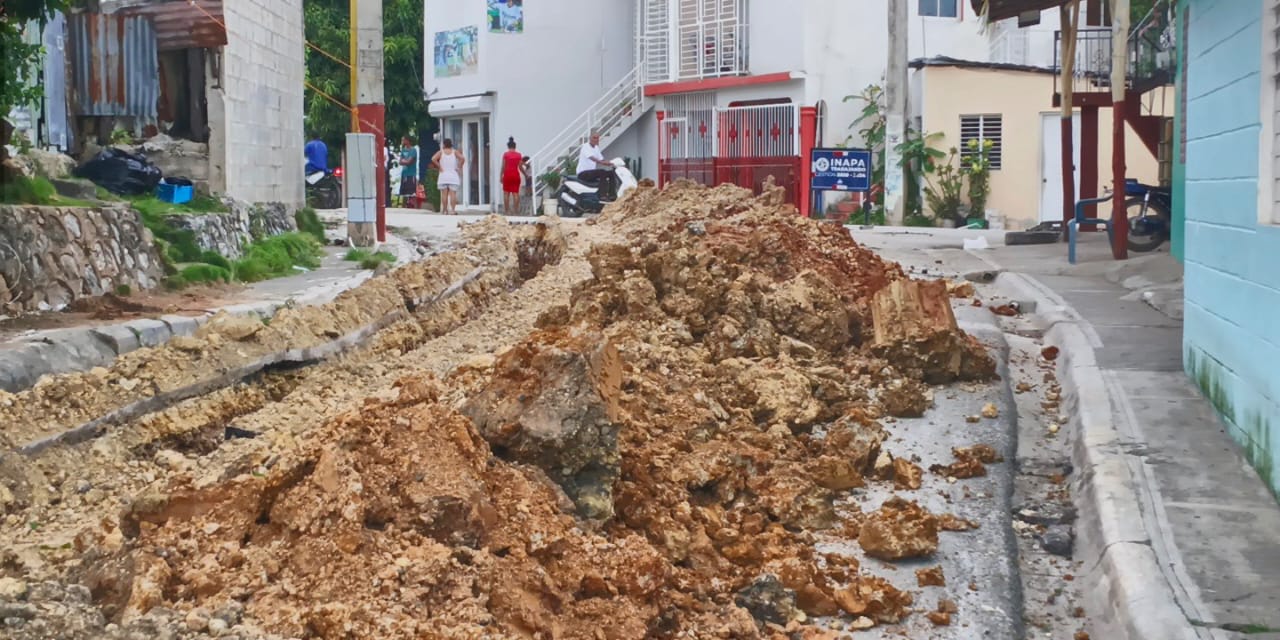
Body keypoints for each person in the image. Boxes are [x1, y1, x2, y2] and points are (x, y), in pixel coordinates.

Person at [576, 131, 617, 201]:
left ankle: (612, 195)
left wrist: (612, 163)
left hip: (591, 173)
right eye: (594, 138)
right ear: (590, 138)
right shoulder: (585, 147)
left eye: (597, 138)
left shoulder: (596, 148)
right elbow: (593, 159)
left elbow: (602, 159)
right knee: (602, 172)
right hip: (583, 173)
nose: (596, 140)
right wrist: (602, 162)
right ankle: (602, 196)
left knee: (611, 173)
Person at [432, 138, 463, 215]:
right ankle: (452, 210)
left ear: (444, 144)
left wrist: (440, 167)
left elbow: (433, 159)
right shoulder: (454, 152)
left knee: (444, 194)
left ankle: (445, 210)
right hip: (453, 175)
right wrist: (459, 166)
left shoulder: (441, 152)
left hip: (443, 175)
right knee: (453, 194)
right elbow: (462, 158)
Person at [501, 137, 524, 214]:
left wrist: (501, 175)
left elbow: (503, 166)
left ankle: (507, 211)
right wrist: (525, 174)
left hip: (507, 175)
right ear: (515, 146)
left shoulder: (506, 155)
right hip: (515, 175)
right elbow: (520, 167)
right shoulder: (519, 155)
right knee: (515, 193)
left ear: (508, 146)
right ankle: (516, 211)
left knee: (506, 193)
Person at [397, 136, 419, 208]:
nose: (402, 141)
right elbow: (400, 162)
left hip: (411, 174)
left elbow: (410, 161)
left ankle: (413, 206)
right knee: (403, 192)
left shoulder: (413, 150)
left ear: (408, 141)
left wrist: (404, 161)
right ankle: (404, 206)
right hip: (404, 173)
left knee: (411, 193)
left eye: (403, 140)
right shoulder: (403, 150)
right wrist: (404, 161)